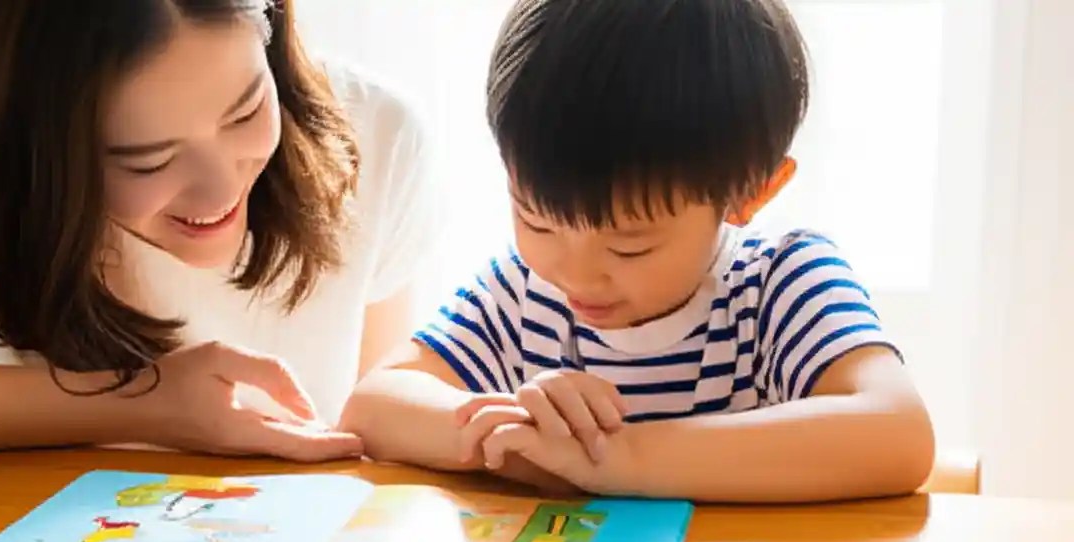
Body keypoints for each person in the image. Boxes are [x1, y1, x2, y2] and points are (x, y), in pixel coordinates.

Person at [341, 0, 936, 503]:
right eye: (537, 221)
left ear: (751, 192)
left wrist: (622, 460)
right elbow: (373, 406)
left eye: (630, 246)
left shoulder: (780, 283)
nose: (575, 275)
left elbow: (899, 435)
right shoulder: (522, 292)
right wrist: (508, 435)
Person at [0, 0, 441, 460]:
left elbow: (373, 434)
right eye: (148, 160)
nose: (218, 192)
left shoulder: (377, 136)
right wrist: (137, 401)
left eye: (245, 110)